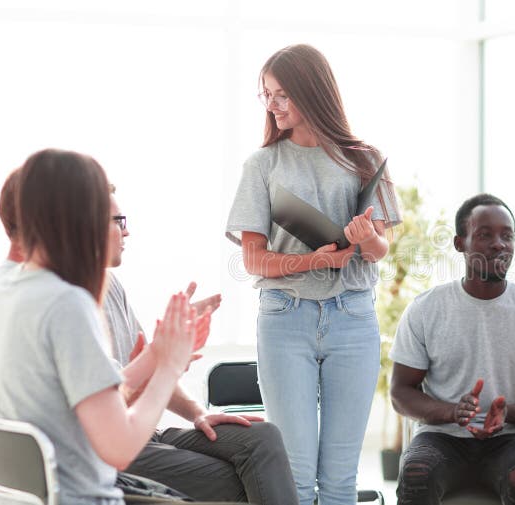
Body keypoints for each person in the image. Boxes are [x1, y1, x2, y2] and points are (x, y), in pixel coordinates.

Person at [225, 44, 401, 505]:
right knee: (296, 477)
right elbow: (253, 261)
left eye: (282, 94)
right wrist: (315, 261)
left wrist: (365, 238)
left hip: (353, 317)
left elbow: (379, 250)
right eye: (266, 94)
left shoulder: (364, 159)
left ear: (312, 91)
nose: (272, 105)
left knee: (341, 479)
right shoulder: (262, 165)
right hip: (285, 318)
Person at [0, 148, 199, 504]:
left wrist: (156, 354)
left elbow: (89, 392)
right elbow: (120, 447)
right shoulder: (66, 304)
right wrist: (169, 368)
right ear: (83, 217)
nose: (119, 229)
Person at [104, 186, 297, 504]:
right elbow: (118, 398)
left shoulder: (111, 286)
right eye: (118, 221)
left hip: (147, 434)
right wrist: (166, 360)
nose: (127, 231)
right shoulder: (71, 305)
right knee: (249, 479)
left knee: (263, 437)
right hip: (115, 448)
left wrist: (198, 413)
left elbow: (143, 371)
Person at [390, 193, 515, 505]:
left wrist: (509, 413)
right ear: (460, 243)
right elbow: (401, 393)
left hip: (511, 439)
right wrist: (451, 412)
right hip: (441, 437)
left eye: (507, 236)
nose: (499, 244)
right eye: (485, 235)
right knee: (417, 473)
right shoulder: (425, 309)